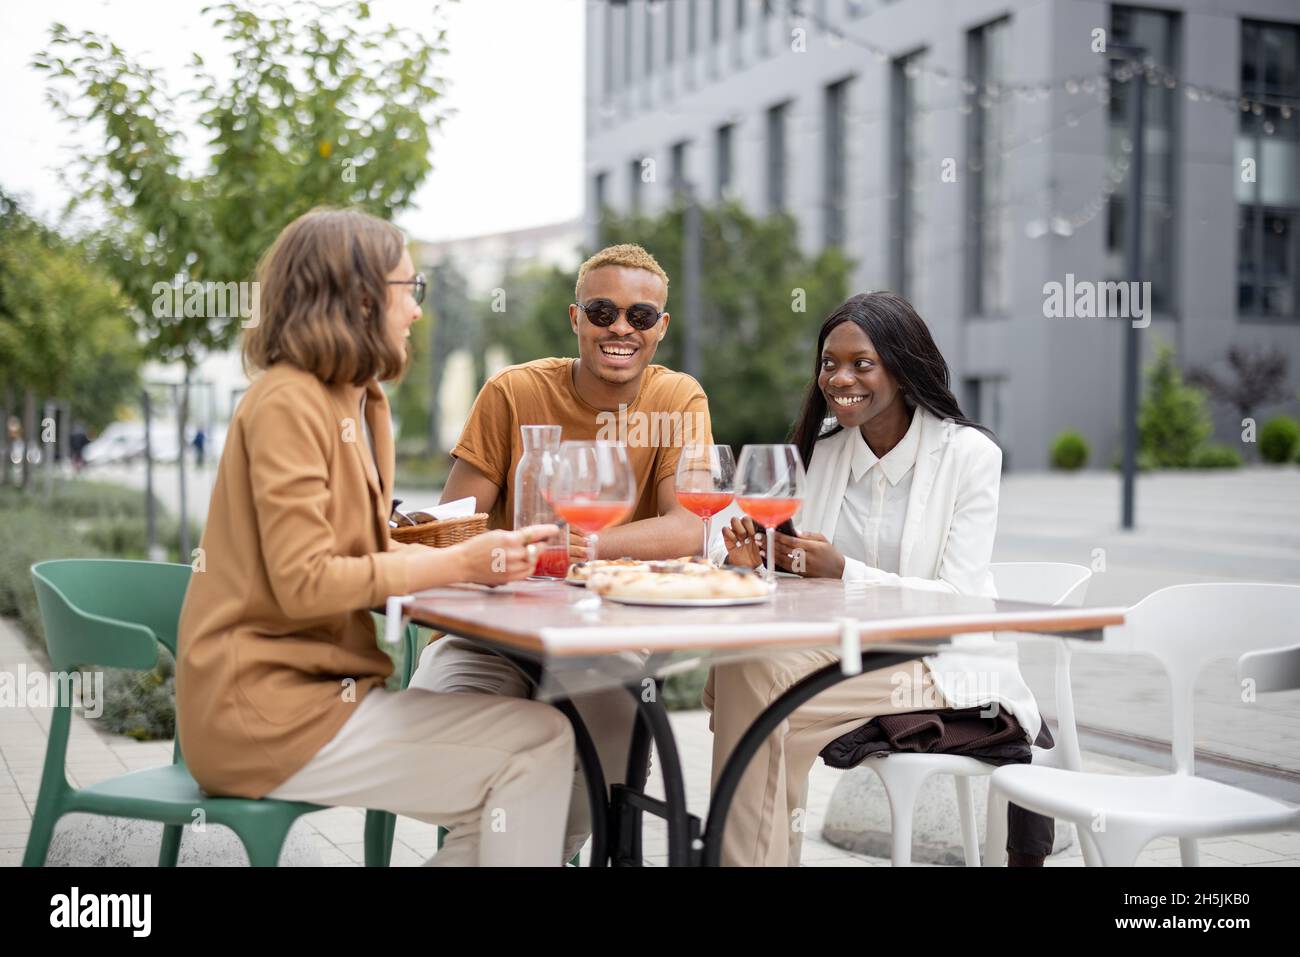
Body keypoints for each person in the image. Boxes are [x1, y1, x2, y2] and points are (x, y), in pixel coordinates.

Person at [177, 207, 574, 866]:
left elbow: (358, 555)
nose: (417, 311)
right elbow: (306, 582)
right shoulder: (287, 401)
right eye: (408, 291)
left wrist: (474, 562)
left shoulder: (354, 399)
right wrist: (460, 563)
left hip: (312, 700)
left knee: (529, 761)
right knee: (539, 747)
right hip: (265, 716)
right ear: (362, 299)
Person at [711, 290, 1053, 867]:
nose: (839, 377)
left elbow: (962, 603)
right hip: (840, 653)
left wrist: (846, 572)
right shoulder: (822, 455)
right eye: (828, 363)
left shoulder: (969, 456)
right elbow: (808, 587)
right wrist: (760, 568)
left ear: (901, 366)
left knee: (753, 687)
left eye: (860, 363)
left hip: (940, 660)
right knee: (754, 686)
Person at [409, 242, 713, 863]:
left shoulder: (678, 399)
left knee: (596, 784)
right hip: (489, 634)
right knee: (443, 744)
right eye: (602, 312)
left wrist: (584, 548)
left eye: (640, 316)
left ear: (661, 328)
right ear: (576, 319)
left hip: (607, 642)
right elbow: (455, 523)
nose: (621, 328)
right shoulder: (512, 392)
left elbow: (688, 528)